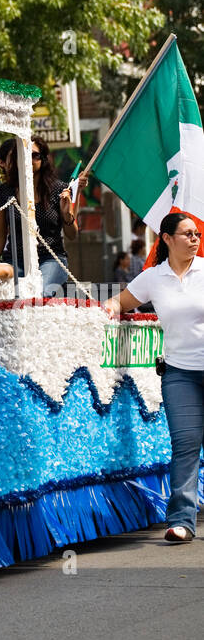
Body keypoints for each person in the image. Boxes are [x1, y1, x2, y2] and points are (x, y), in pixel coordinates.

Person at [107, 213, 204, 543]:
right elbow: (119, 302)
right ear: (166, 238)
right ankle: (181, 520)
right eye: (187, 234)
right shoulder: (153, 277)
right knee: (185, 445)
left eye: (197, 235)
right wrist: (101, 310)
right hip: (179, 375)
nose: (195, 239)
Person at [0, 135, 78, 294]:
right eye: (24, 154)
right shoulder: (4, 191)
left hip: (50, 259)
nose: (29, 159)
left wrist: (67, 215)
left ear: (43, 159)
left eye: (35, 155)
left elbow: (72, 235)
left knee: (38, 292)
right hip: (15, 260)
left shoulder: (59, 190)